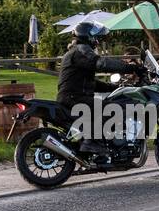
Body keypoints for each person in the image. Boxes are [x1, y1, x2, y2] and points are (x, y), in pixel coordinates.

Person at [57, 21, 144, 150]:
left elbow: (90, 83)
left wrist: (115, 88)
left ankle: (102, 142)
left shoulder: (76, 51)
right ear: (87, 36)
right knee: (115, 109)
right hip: (75, 98)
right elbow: (101, 63)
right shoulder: (82, 50)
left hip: (73, 96)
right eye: (95, 36)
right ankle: (90, 141)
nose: (97, 40)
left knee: (108, 105)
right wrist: (131, 68)